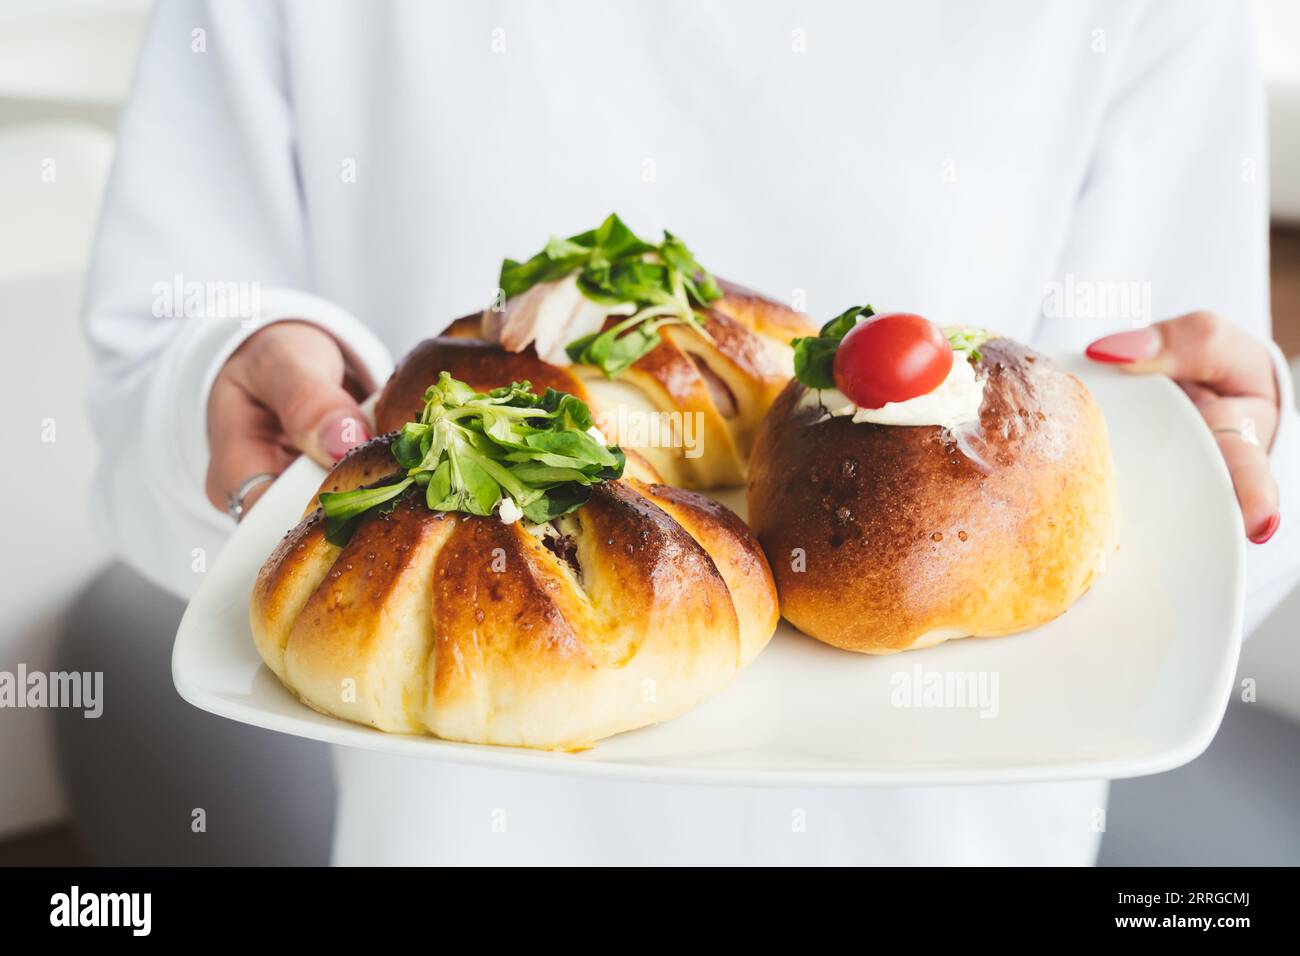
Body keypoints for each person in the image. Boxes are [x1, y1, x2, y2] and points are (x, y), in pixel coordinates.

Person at [85, 0, 1298, 865]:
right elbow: (155, 383)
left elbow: (1175, 502)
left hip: (962, 832)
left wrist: (1235, 463)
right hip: (454, 821)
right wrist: (223, 378)